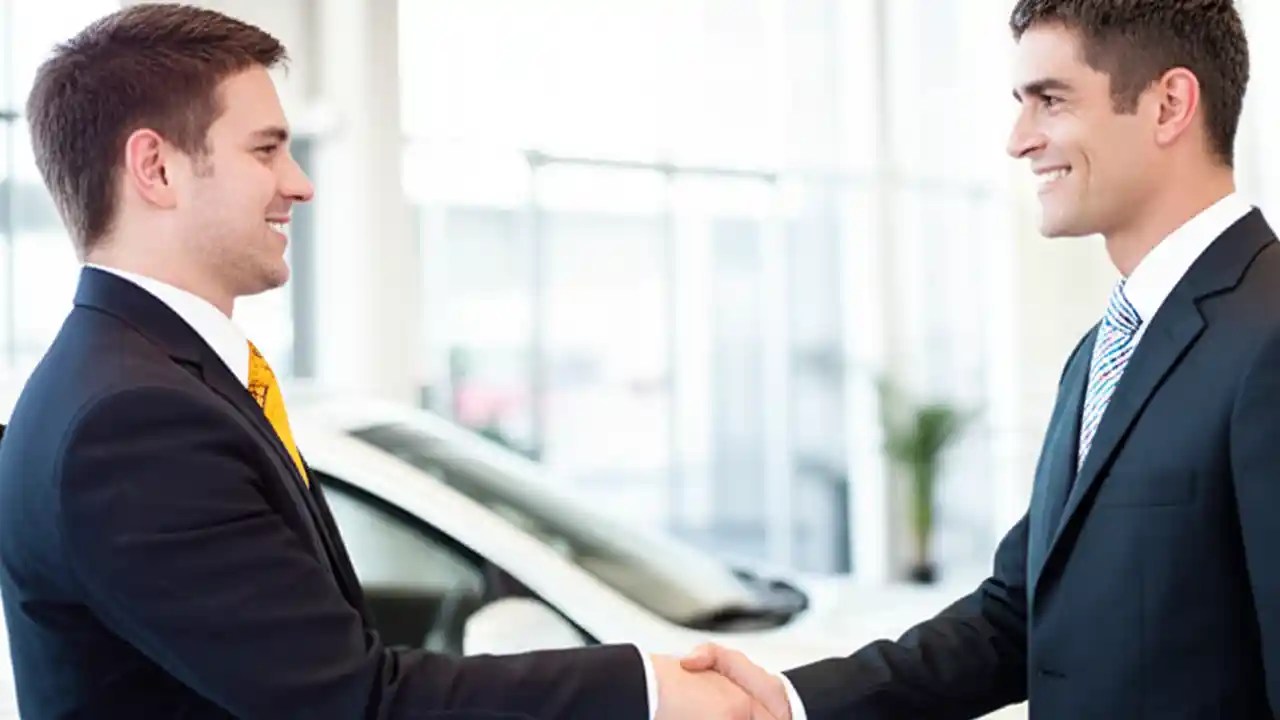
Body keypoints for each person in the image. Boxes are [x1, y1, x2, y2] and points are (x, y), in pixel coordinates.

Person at [0, 5, 773, 719]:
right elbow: (352, 703)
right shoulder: (132, 420)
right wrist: (645, 688)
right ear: (157, 169)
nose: (298, 185)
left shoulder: (131, 381)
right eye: (266, 149)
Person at [684, 1, 1280, 718]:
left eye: (1050, 101)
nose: (1018, 140)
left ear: (1168, 105)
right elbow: (1019, 615)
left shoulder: (1267, 334)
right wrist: (793, 701)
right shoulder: (1107, 347)